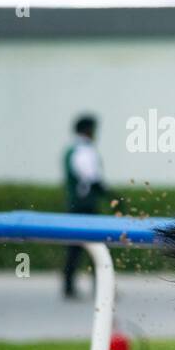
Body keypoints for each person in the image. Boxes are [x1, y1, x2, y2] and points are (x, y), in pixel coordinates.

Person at [61, 114, 107, 299]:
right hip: (84, 206)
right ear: (87, 129)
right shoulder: (83, 151)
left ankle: (69, 286)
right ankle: (101, 286)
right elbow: (92, 179)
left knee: (75, 247)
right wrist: (113, 196)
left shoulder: (73, 149)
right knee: (98, 245)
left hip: (76, 205)